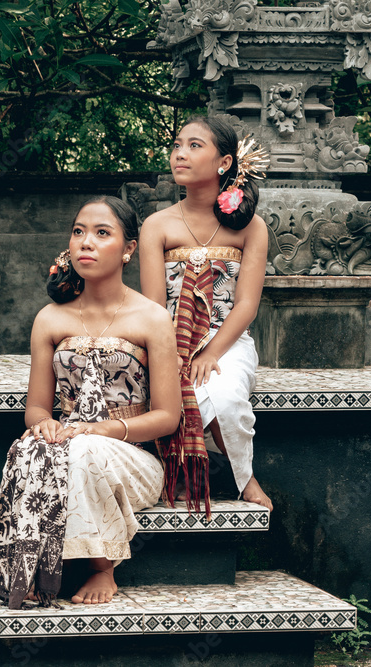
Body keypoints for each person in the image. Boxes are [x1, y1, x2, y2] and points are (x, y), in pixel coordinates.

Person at [0, 196, 182, 609]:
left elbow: (169, 416)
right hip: (69, 444)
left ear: (129, 249)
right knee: (29, 448)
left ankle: (103, 566)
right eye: (78, 232)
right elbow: (37, 406)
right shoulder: (51, 318)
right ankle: (30, 571)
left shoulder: (151, 318)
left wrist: (104, 429)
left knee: (85, 447)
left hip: (134, 460)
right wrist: (43, 424)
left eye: (101, 233)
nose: (85, 243)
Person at [139, 115, 274, 511]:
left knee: (227, 396)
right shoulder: (156, 225)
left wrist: (212, 352)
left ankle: (244, 477)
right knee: (181, 393)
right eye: (177, 144)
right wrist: (173, 354)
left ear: (225, 163)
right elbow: (152, 305)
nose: (180, 154)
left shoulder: (252, 227)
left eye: (195, 146)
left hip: (227, 340)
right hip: (168, 337)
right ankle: (180, 473)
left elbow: (247, 305)